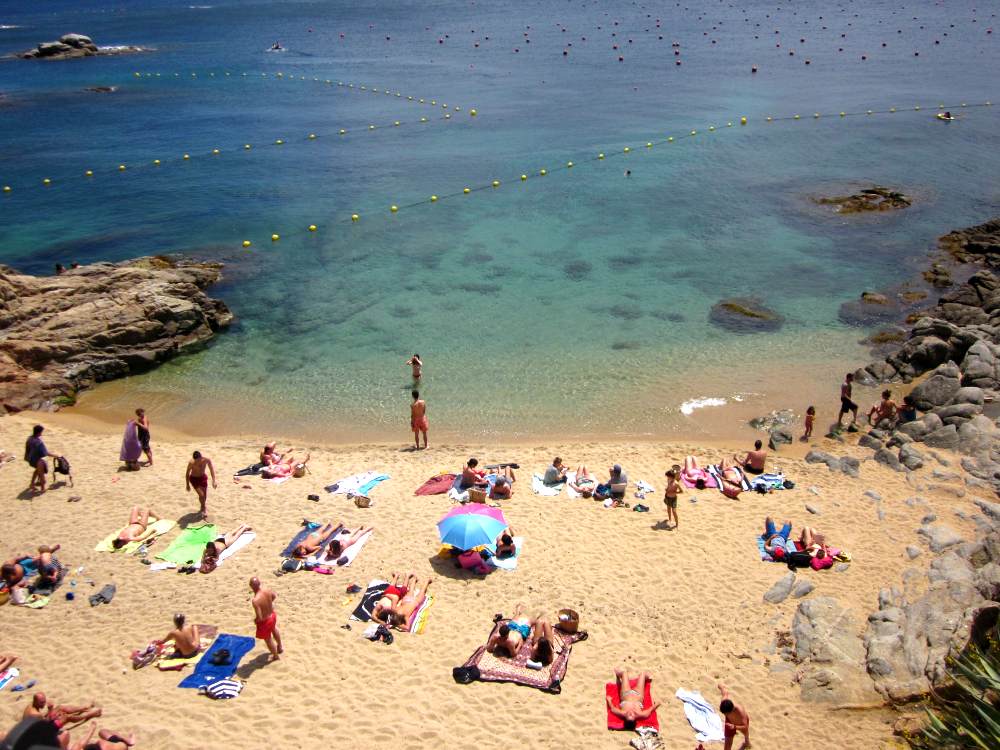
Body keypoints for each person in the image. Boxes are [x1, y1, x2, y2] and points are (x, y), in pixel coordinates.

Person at [23, 692, 102, 729]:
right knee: (67, 717)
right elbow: (46, 722)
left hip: (39, 724)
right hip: (43, 733)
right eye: (42, 702)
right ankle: (91, 714)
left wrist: (53, 713)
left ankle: (85, 708)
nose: (44, 704)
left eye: (44, 701)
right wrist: (50, 710)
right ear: (36, 701)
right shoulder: (35, 714)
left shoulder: (31, 705)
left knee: (60, 707)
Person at [250, 576, 283, 661]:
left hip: (266, 621)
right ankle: (280, 647)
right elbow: (274, 596)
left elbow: (260, 617)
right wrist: (268, 604)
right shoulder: (267, 590)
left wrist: (255, 620)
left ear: (251, 586)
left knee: (268, 639)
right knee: (274, 629)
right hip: (272, 615)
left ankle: (275, 656)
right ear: (259, 584)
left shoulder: (255, 600)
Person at [718, 683, 751, 750]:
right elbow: (725, 693)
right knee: (727, 747)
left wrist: (734, 727)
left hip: (740, 723)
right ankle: (746, 742)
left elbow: (745, 726)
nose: (725, 715)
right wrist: (721, 686)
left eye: (726, 714)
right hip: (729, 723)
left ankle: (747, 742)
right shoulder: (724, 701)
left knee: (745, 733)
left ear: (731, 710)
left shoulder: (740, 711)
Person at [185, 451, 216, 519]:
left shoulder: (206, 460)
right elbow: (187, 474)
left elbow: (211, 470)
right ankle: (203, 509)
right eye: (196, 460)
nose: (197, 461)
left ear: (201, 457)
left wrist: (214, 481)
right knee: (201, 495)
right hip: (194, 479)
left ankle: (202, 507)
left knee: (204, 496)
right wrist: (187, 484)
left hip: (203, 478)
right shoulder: (191, 463)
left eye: (199, 459)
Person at [25, 424, 55, 494]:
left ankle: (32, 484)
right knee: (41, 470)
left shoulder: (29, 438)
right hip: (36, 461)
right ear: (39, 432)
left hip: (30, 459)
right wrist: (56, 455)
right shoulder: (39, 442)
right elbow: (46, 453)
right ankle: (43, 488)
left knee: (37, 469)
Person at [67, 725, 136, 750]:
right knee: (103, 731)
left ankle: (127, 740)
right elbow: (80, 744)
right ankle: (127, 739)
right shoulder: (103, 745)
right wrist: (92, 729)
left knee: (102, 732)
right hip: (120, 745)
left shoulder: (102, 745)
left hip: (116, 745)